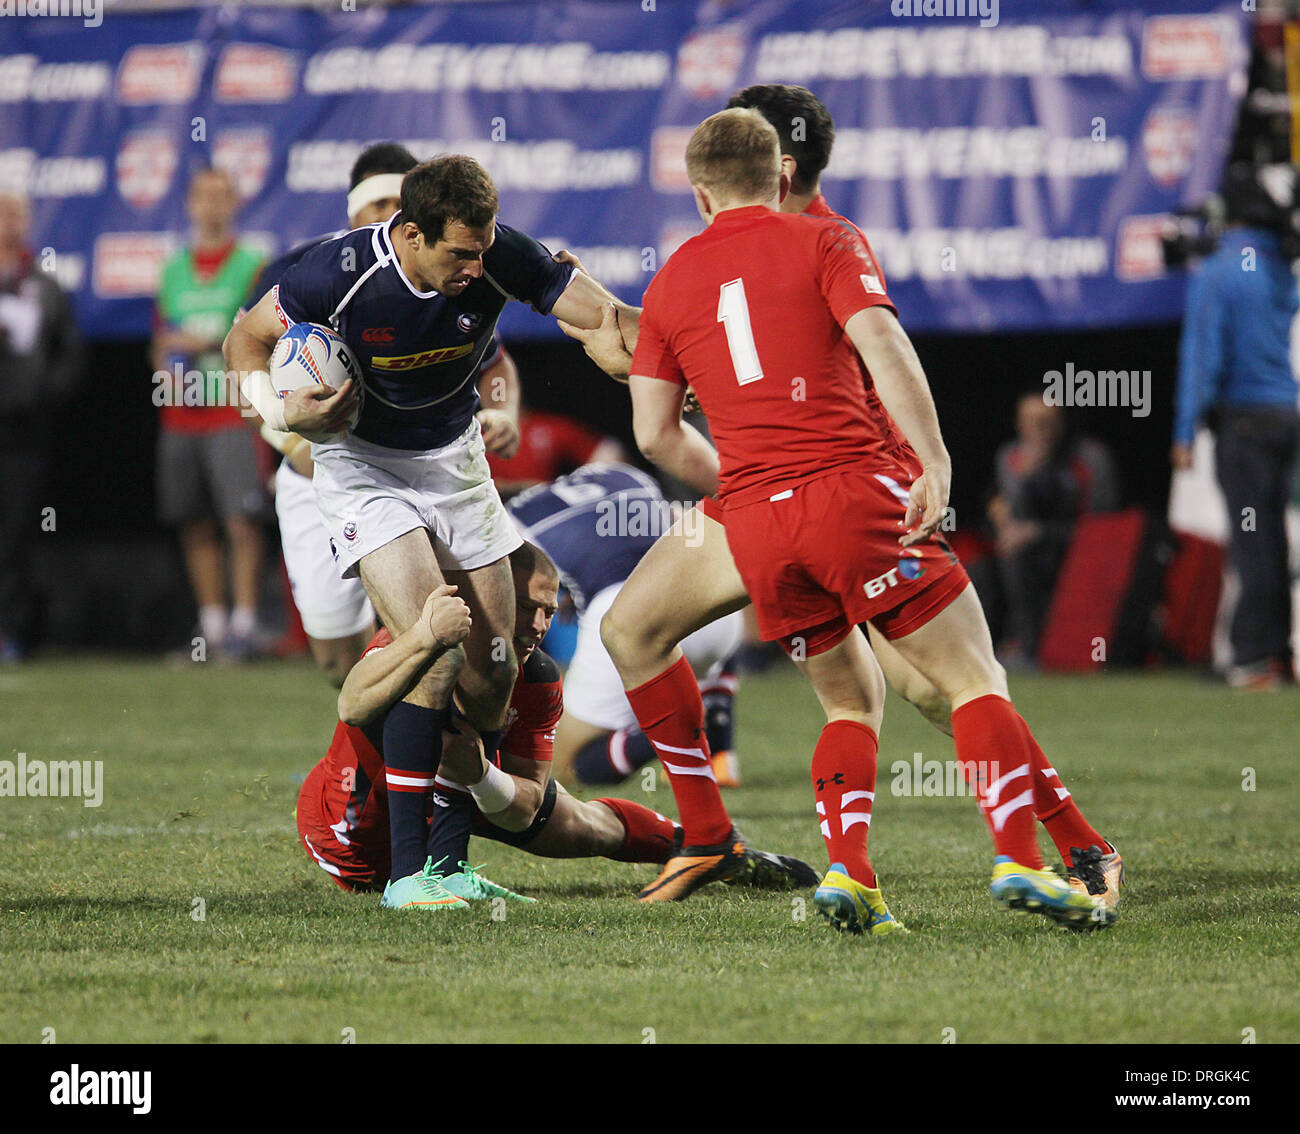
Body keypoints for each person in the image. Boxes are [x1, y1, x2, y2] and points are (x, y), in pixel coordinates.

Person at [561, 86, 1122, 918]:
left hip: (759, 506)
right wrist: (936, 459)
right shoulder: (824, 237)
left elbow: (655, 427)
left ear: (702, 187)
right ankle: (1016, 857)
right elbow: (882, 343)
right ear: (778, 170)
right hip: (852, 492)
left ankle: (909, 862)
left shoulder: (684, 270)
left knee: (888, 696)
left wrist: (627, 337)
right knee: (964, 683)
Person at [225, 154, 637, 911]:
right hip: (361, 469)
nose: (478, 267)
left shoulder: (494, 253)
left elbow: (601, 317)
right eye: (461, 254)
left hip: (455, 464)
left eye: (485, 250)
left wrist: (649, 349)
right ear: (410, 235)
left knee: (493, 676)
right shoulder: (332, 275)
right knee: (434, 641)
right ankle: (412, 876)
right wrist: (287, 415)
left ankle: (450, 865)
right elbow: (241, 344)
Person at [296, 541, 817, 899]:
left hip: (456, 797)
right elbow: (353, 704)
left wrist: (481, 774)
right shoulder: (424, 644)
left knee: (581, 823)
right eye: (525, 608)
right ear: (491, 601)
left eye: (550, 609)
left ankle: (709, 849)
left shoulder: (539, 676)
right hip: (356, 835)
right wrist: (425, 639)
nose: (540, 625)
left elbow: (525, 802)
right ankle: (415, 876)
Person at [244, 142, 524, 686]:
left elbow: (494, 362)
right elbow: (248, 356)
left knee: (446, 648)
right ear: (354, 213)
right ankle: (383, 742)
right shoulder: (308, 275)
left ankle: (433, 758)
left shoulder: (451, 276)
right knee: (338, 662)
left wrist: (502, 410)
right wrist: (287, 427)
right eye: (379, 205)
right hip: (317, 474)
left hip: (422, 464)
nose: (391, 216)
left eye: (400, 203)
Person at [505, 462, 745, 787]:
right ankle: (718, 742)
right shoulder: (622, 474)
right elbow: (687, 527)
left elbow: (508, 593)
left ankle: (671, 724)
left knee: (569, 764)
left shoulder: (511, 518)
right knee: (697, 605)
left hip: (626, 613)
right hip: (713, 608)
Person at [1172, 165, 1300, 689]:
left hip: (1244, 422)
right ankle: (1277, 653)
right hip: (1287, 417)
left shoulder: (1221, 271)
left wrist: (1184, 431)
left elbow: (1203, 357)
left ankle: (1250, 657)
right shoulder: (1281, 269)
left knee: (1252, 541)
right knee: (1273, 539)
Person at [155, 167, 266, 660]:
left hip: (230, 409)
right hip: (181, 412)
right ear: (189, 205)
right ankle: (212, 626)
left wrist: (203, 343)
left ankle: (245, 624)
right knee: (193, 520)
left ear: (235, 204)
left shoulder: (252, 264)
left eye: (222, 196)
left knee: (242, 518)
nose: (212, 206)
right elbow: (158, 340)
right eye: (203, 197)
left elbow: (259, 334)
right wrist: (165, 361)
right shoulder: (173, 269)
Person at [0, 191, 83, 662]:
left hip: (23, 431)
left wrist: (39, 393)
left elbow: (70, 357)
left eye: (15, 214)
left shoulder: (43, 286)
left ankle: (13, 631)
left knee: (15, 532)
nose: (8, 223)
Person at [985, 393, 1119, 661]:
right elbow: (1007, 515)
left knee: (1024, 546)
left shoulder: (1089, 458)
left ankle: (1044, 646)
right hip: (1026, 549)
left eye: (1046, 422)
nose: (1039, 430)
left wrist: (1039, 532)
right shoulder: (1010, 458)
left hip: (1080, 548)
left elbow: (1103, 529)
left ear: (1061, 423)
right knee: (998, 555)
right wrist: (1024, 480)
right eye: (1031, 422)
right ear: (1019, 425)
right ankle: (1016, 643)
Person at [488, 400, 626, 499]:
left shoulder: (544, 428)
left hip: (543, 514)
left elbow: (609, 453)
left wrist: (576, 492)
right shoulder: (474, 435)